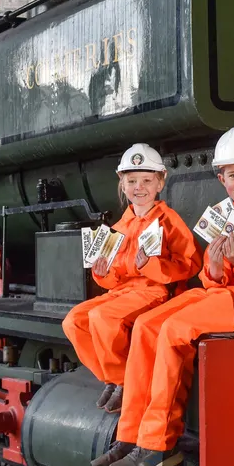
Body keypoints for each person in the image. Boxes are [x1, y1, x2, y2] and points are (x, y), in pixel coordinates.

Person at [92, 125, 234, 466]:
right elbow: (213, 280)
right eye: (233, 174)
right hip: (221, 294)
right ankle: (129, 436)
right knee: (148, 326)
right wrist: (212, 267)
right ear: (221, 178)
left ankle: (158, 446)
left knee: (175, 330)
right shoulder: (225, 215)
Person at [61, 143, 201, 416]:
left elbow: (190, 264)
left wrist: (151, 265)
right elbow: (112, 281)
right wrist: (102, 272)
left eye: (147, 180)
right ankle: (114, 378)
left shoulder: (168, 221)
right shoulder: (118, 227)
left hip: (155, 291)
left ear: (160, 182)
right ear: (122, 184)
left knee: (104, 318)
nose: (140, 187)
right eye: (132, 181)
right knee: (74, 321)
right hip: (122, 293)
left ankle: (126, 382)